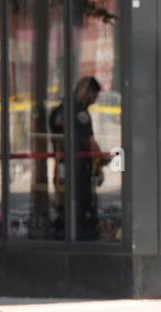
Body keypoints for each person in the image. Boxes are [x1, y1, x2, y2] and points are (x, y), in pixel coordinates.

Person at [50, 76, 110, 240]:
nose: (93, 101)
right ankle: (81, 236)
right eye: (93, 97)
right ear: (87, 92)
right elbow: (90, 144)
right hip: (79, 169)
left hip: (60, 166)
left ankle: (63, 232)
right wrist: (104, 159)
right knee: (81, 206)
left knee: (63, 203)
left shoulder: (58, 111)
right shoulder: (80, 113)